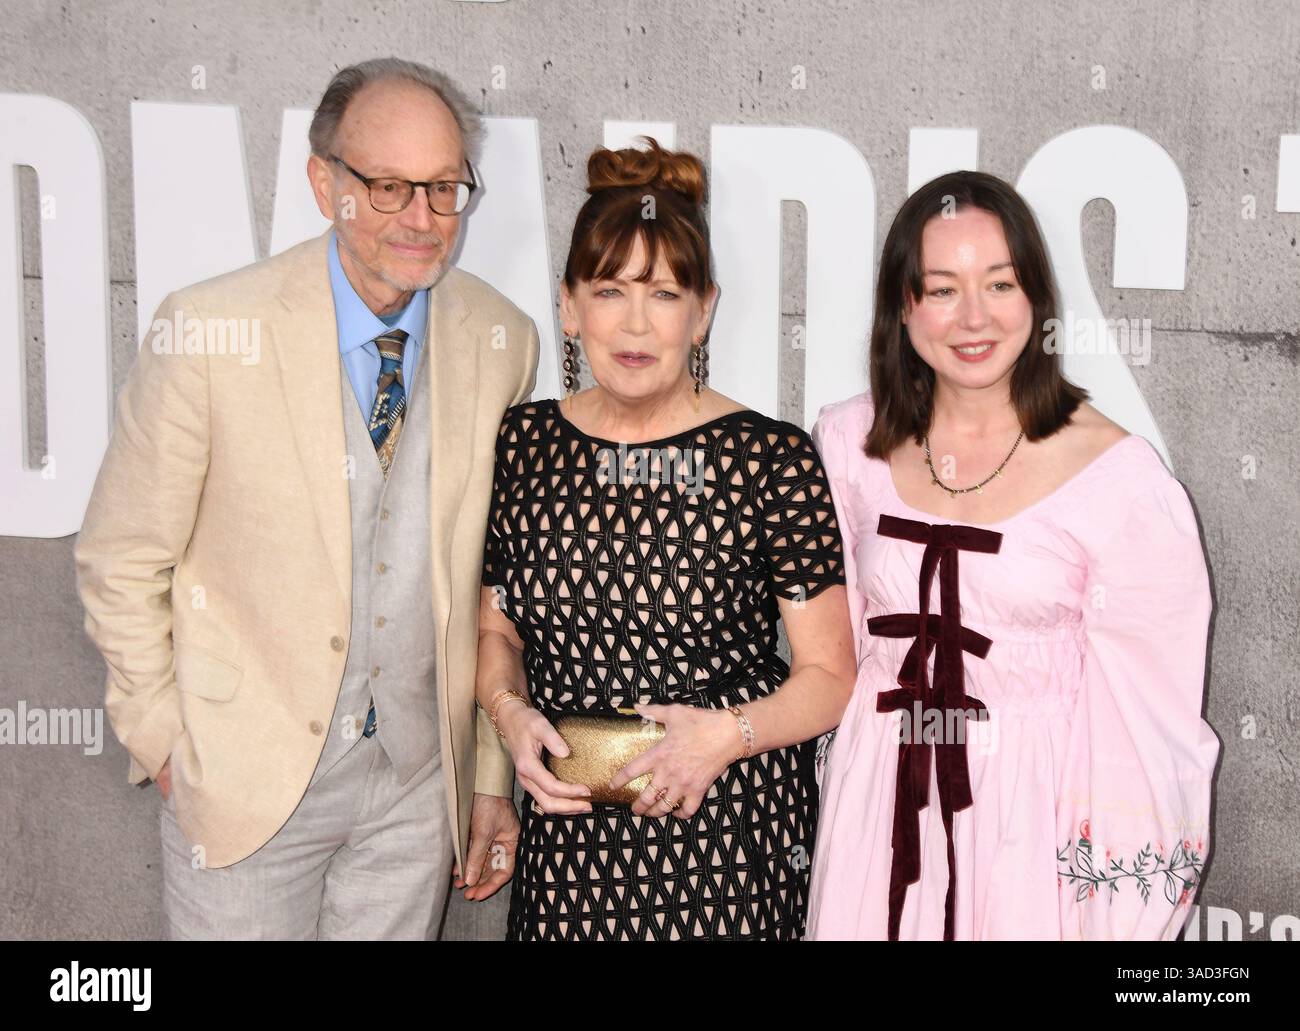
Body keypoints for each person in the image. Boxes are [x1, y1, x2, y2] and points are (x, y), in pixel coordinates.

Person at [73, 58, 538, 939]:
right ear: (326, 184)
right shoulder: (209, 333)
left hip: (411, 794)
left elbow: (490, 588)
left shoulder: (501, 339)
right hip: (244, 785)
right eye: (390, 185)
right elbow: (120, 558)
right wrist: (170, 747)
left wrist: (483, 774)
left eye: (444, 188)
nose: (422, 218)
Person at [805, 170, 1219, 940]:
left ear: (1036, 296)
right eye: (941, 289)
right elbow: (827, 659)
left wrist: (1120, 919)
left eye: (1000, 284)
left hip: (1035, 831)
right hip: (877, 815)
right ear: (904, 305)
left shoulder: (1118, 479)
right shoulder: (843, 445)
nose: (974, 317)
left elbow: (1150, 733)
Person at [475, 137, 857, 940]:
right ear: (570, 306)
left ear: (704, 308)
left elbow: (830, 675)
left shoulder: (770, 457)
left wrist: (724, 736)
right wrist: (511, 719)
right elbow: (495, 628)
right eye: (609, 290)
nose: (636, 323)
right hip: (569, 848)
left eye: (664, 292)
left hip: (728, 841)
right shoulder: (524, 443)